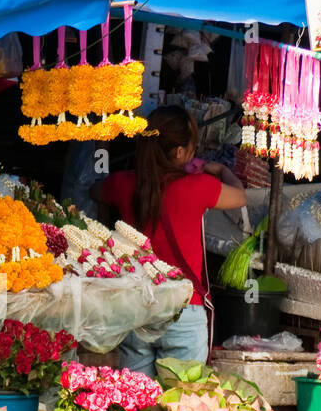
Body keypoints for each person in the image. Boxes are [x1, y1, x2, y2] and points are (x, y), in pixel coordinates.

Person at [92, 105, 248, 373]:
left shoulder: (123, 184)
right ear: (179, 153)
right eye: (192, 148)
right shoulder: (198, 187)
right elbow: (240, 195)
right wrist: (217, 168)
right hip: (183, 310)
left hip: (137, 308)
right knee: (184, 404)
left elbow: (95, 190)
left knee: (140, 402)